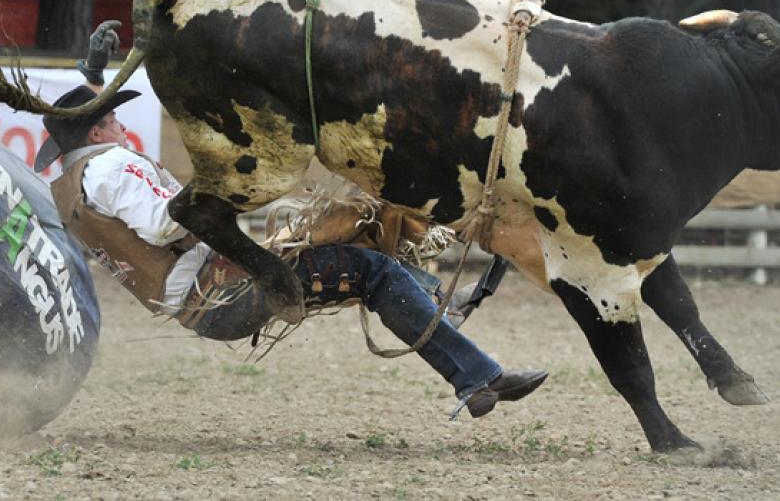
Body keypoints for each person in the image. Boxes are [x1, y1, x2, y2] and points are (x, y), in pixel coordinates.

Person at [36, 21, 548, 420]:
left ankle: (441, 307)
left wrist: (92, 79)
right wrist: (222, 183)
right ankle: (473, 373)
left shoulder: (74, 183)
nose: (122, 125)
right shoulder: (115, 165)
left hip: (210, 296)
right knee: (372, 268)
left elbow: (84, 156)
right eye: (111, 117)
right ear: (99, 129)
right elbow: (166, 223)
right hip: (224, 289)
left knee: (355, 236)